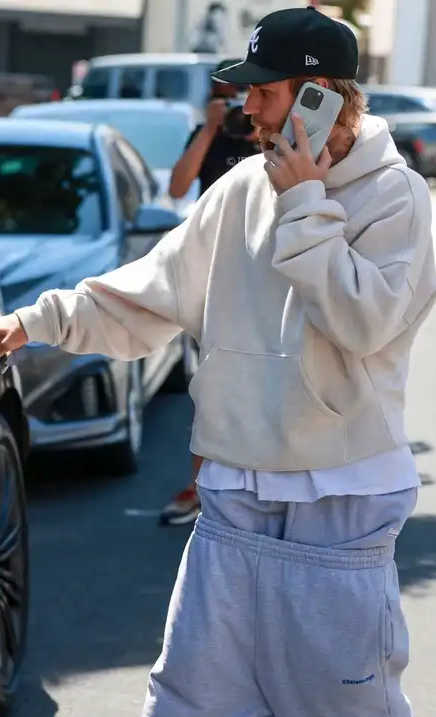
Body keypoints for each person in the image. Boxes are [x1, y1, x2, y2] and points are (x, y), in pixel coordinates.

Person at [0, 8, 436, 717]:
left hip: (341, 491)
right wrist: (33, 323)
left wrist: (306, 203)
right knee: (194, 686)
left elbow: (365, 322)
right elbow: (150, 293)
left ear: (321, 97)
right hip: (235, 483)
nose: (247, 110)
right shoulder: (241, 189)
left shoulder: (394, 196)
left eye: (264, 94)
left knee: (349, 690)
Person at [160, 60, 259, 527]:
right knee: (212, 388)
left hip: (268, 274)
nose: (238, 106)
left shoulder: (273, 135)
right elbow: (178, 186)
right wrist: (209, 130)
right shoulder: (210, 135)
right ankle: (201, 487)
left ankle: (257, 488)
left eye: (245, 95)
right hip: (217, 275)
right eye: (225, 97)